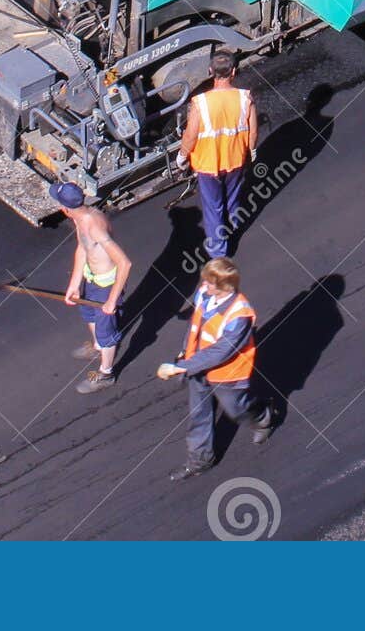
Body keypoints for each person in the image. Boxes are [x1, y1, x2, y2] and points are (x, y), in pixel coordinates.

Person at [157, 258, 273, 478]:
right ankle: (200, 460)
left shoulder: (239, 315)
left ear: (225, 287)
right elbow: (195, 326)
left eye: (209, 283)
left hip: (226, 373)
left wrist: (180, 367)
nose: (203, 285)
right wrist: (184, 353)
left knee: (236, 410)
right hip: (198, 367)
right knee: (198, 414)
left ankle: (262, 416)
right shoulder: (204, 294)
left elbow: (221, 352)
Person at [53, 183, 132, 395]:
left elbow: (124, 263)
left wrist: (112, 300)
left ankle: (106, 373)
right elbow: (82, 248)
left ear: (65, 209)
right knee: (88, 313)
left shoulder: (94, 225)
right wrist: (74, 284)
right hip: (91, 278)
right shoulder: (80, 217)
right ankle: (98, 347)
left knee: (106, 331)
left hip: (106, 286)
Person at [178, 48, 257, 259]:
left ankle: (219, 252)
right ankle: (234, 223)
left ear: (211, 71)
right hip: (235, 160)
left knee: (213, 208)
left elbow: (190, 135)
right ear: (233, 72)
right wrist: (252, 151)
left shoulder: (201, 103)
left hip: (208, 165)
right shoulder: (245, 98)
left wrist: (182, 156)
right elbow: (253, 131)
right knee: (232, 197)